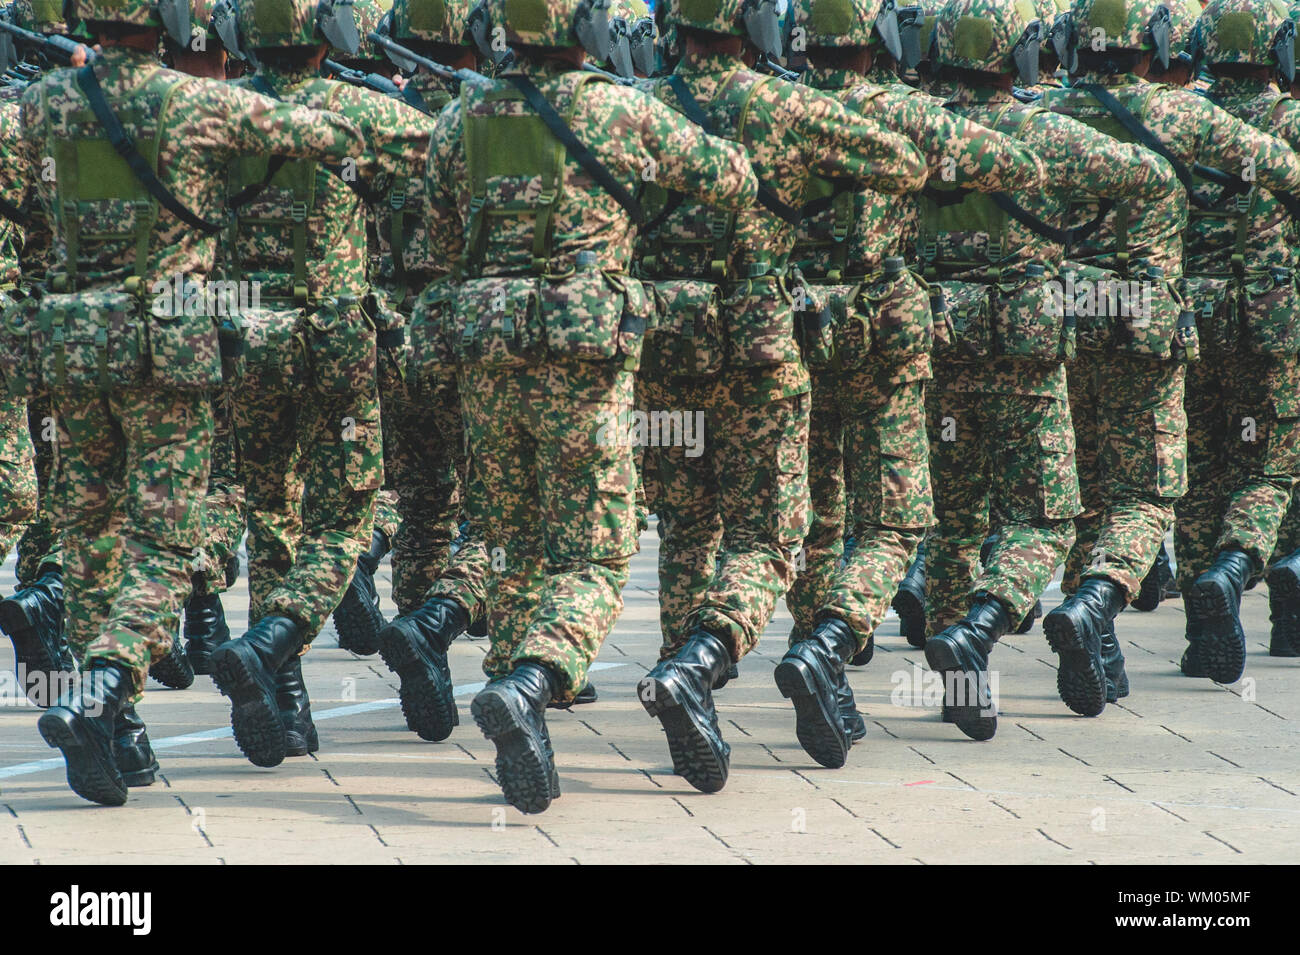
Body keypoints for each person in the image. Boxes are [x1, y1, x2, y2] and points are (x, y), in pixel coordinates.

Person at [424, 0, 758, 812]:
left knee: (510, 535)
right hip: (581, 363)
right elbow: (733, 182)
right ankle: (535, 679)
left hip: (490, 356)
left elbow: (437, 239)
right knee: (598, 554)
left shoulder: (460, 116)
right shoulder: (618, 108)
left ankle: (514, 674)